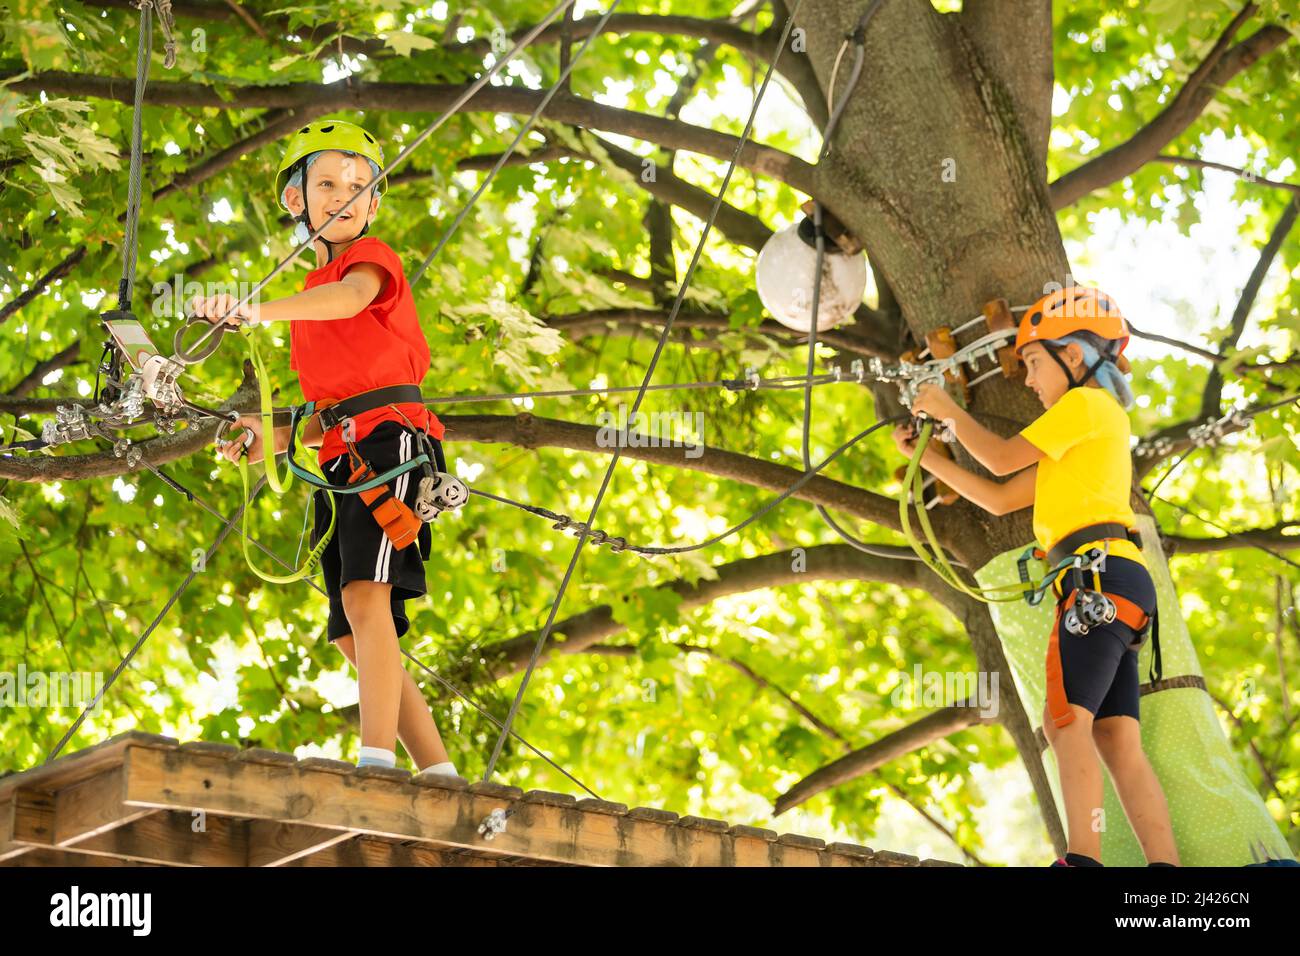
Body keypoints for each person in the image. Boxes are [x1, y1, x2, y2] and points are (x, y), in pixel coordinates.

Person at [189, 119, 459, 780]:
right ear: (296, 200)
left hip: (396, 445)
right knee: (349, 627)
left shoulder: (369, 266)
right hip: (344, 458)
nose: (344, 196)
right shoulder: (308, 299)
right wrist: (269, 439)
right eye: (328, 183)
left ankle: (376, 763)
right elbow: (327, 413)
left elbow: (351, 300)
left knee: (370, 599)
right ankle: (439, 773)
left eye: (359, 187)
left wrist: (256, 310)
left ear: (373, 206)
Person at [893, 286, 1179, 867]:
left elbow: (999, 458)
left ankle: (1083, 861)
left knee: (1064, 720)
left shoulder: (1087, 406)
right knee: (1114, 739)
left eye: (1031, 362)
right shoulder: (1086, 433)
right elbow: (1000, 498)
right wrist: (929, 458)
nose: (1027, 380)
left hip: (1093, 579)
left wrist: (948, 410)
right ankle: (1165, 872)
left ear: (1073, 356)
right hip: (1117, 581)